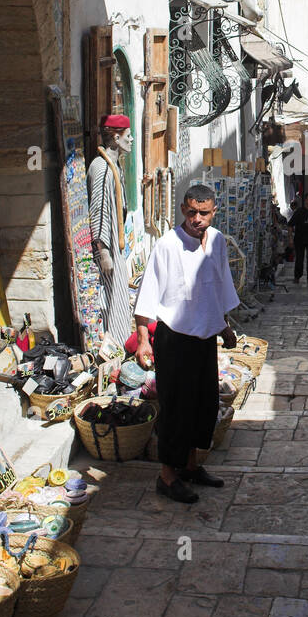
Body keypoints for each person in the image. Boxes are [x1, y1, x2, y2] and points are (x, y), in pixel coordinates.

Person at [133, 182, 239, 505]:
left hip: (205, 338)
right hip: (174, 338)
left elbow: (219, 286)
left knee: (203, 404)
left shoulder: (218, 241)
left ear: (213, 212)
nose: (197, 219)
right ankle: (167, 476)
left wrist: (225, 327)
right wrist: (141, 340)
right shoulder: (167, 245)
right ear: (183, 210)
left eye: (203, 213)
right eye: (191, 212)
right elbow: (147, 293)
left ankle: (192, 466)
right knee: (176, 407)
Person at [87, 113, 133, 342]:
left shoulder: (113, 165)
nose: (132, 139)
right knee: (107, 299)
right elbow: (98, 210)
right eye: (128, 135)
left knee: (116, 297)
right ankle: (111, 344)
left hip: (115, 244)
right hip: (107, 245)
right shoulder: (102, 168)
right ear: (116, 137)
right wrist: (103, 250)